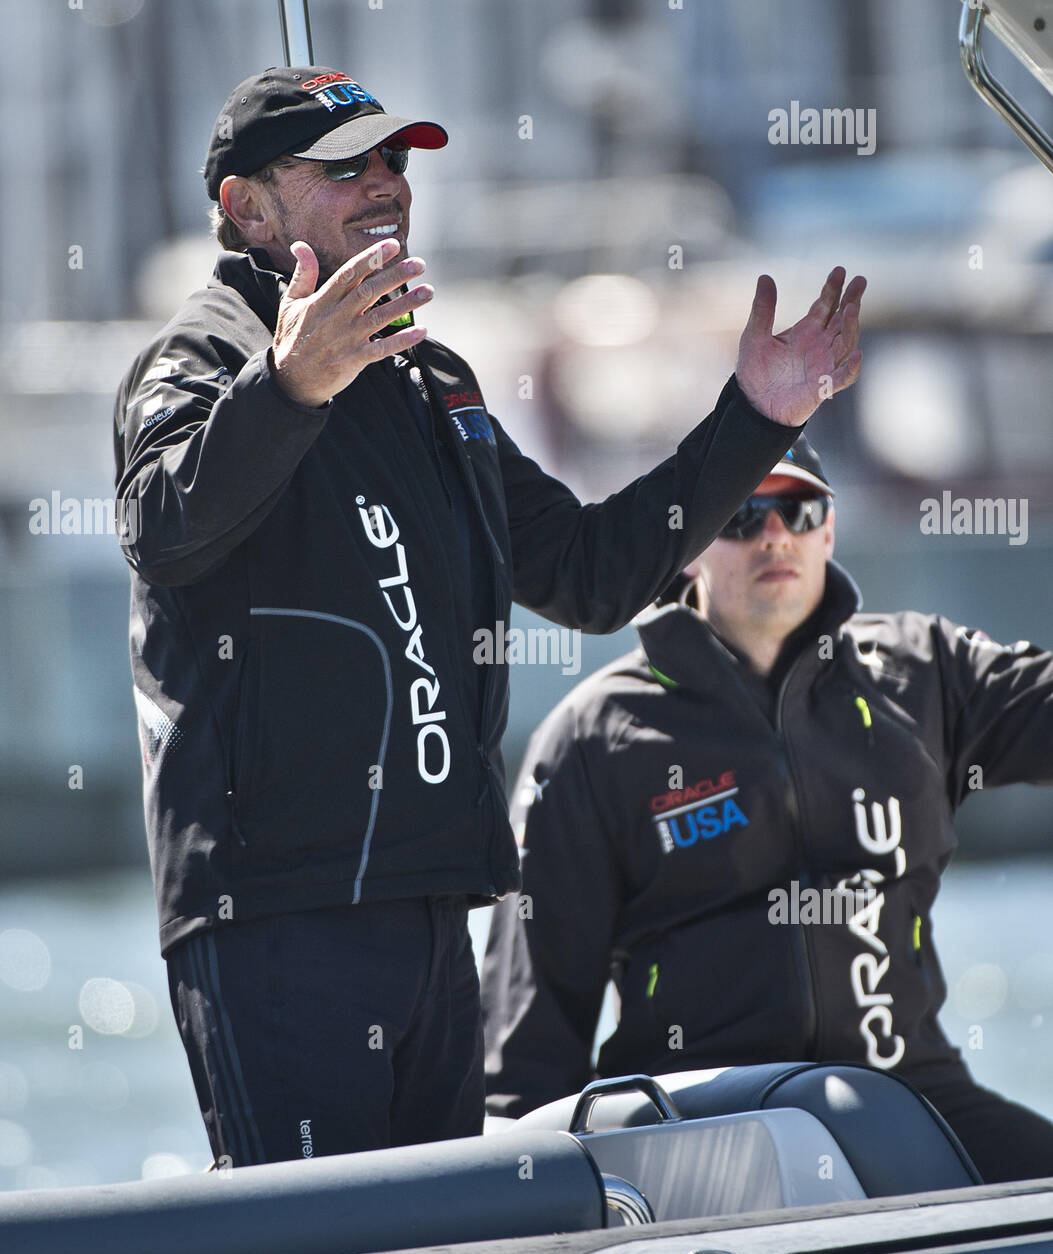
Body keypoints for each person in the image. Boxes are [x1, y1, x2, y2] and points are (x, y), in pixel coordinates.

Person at [112, 66, 864, 1165]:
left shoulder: (431, 384)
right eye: (345, 166)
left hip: (432, 908)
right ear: (247, 206)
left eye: (394, 161)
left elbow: (592, 574)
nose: (385, 185)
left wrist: (754, 419)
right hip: (276, 916)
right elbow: (161, 528)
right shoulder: (201, 355)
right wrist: (288, 385)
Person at [481, 440, 1053, 1184]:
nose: (774, 534)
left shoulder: (925, 673)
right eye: (741, 515)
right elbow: (529, 1036)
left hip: (912, 1092)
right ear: (685, 546)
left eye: (797, 509)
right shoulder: (593, 738)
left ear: (828, 531)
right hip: (707, 1125)